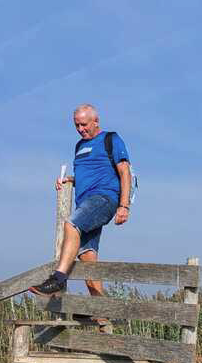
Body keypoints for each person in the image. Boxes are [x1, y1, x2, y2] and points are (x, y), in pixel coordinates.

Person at [31, 104, 133, 298]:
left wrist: (124, 206)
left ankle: (58, 279)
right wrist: (70, 180)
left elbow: (124, 172)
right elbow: (90, 177)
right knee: (87, 258)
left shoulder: (111, 139)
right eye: (77, 125)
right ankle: (102, 314)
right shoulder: (79, 146)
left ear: (96, 121)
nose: (81, 129)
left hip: (105, 198)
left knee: (71, 224)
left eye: (84, 125)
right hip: (86, 203)